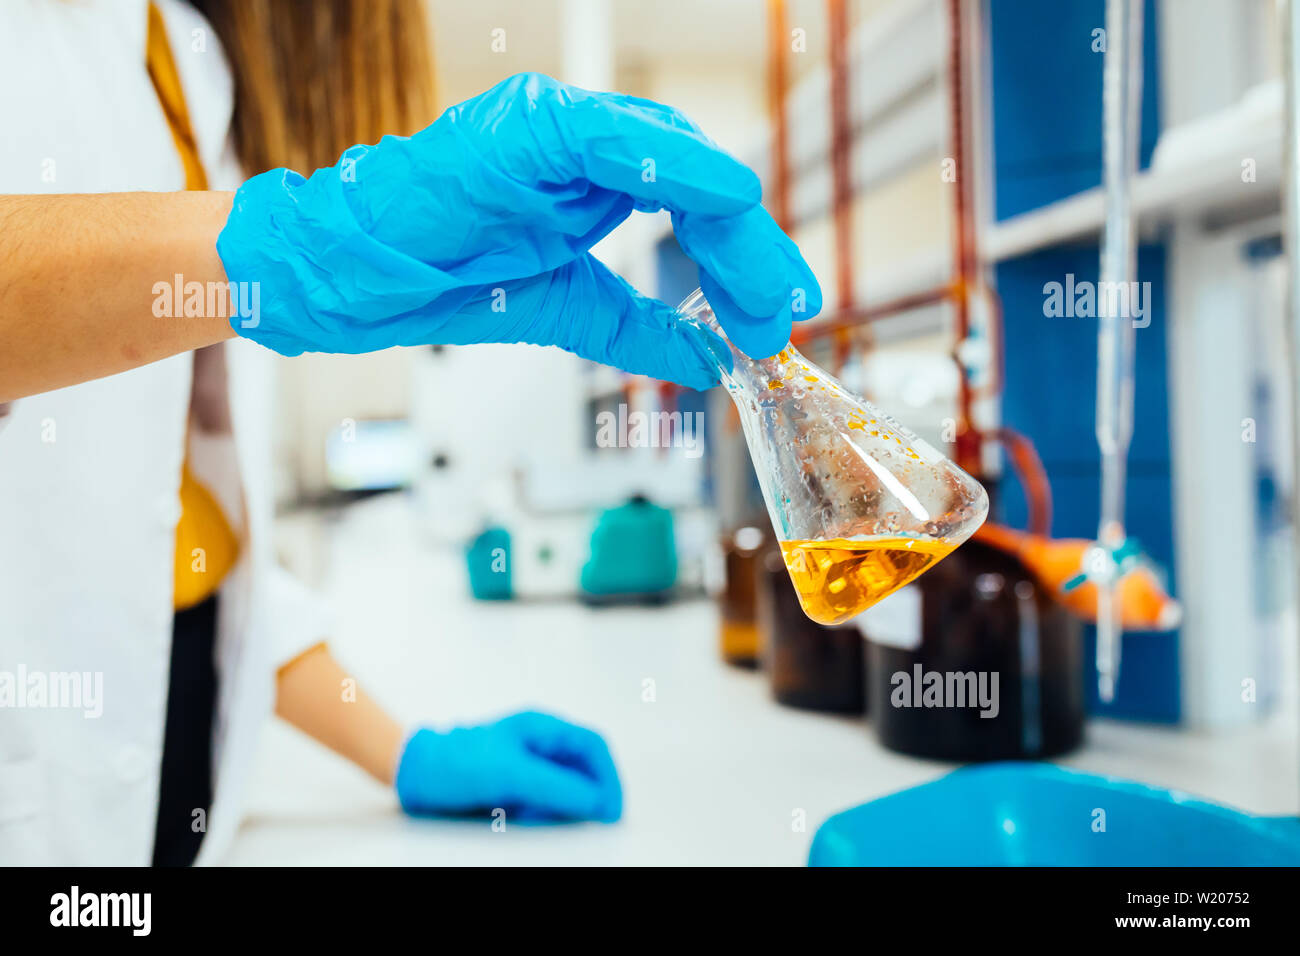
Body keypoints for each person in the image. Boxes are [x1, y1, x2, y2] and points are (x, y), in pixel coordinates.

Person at [0, 0, 821, 865]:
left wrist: (402, 754)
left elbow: (175, 535)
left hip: (172, 744)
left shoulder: (196, 60)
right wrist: (293, 248)